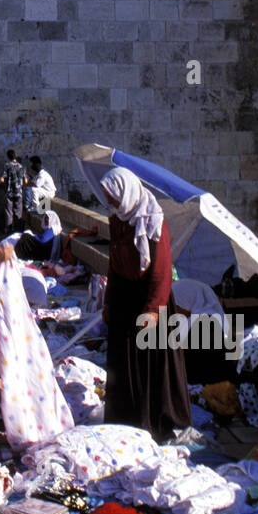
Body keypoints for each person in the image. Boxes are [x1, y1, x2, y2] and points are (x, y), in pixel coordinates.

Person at [100, 166, 191, 440]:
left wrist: (152, 311)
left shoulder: (152, 220)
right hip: (125, 300)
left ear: (125, 192)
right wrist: (108, 302)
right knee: (123, 365)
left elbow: (161, 271)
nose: (110, 203)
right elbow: (114, 265)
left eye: (113, 197)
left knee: (153, 366)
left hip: (150, 301)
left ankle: (156, 421)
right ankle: (125, 418)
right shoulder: (117, 219)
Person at [0, 149, 25, 234]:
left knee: (9, 213)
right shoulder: (21, 167)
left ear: (8, 157)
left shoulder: (7, 165)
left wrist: (4, 183)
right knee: (18, 212)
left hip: (9, 193)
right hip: (19, 193)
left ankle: (9, 231)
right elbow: (26, 181)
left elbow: (2, 179)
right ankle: (18, 231)